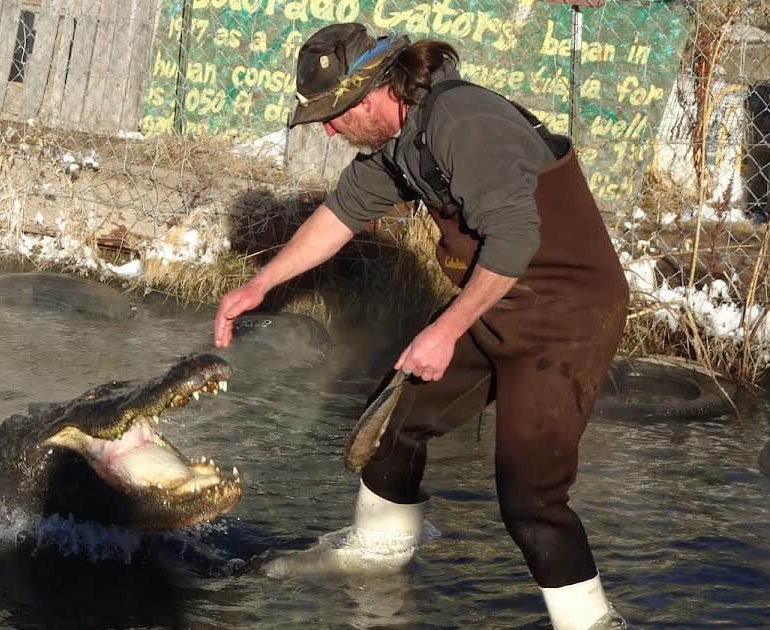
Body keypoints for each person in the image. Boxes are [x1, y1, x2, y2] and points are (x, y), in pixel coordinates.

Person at [212, 22, 630, 630]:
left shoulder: (463, 122)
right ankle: (379, 556)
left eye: (333, 114)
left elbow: (514, 240)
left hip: (564, 315)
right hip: (495, 303)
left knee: (531, 499)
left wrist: (442, 331)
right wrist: (260, 284)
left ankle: (592, 622)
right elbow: (341, 213)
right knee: (388, 427)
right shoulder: (400, 140)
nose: (327, 129)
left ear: (375, 91)